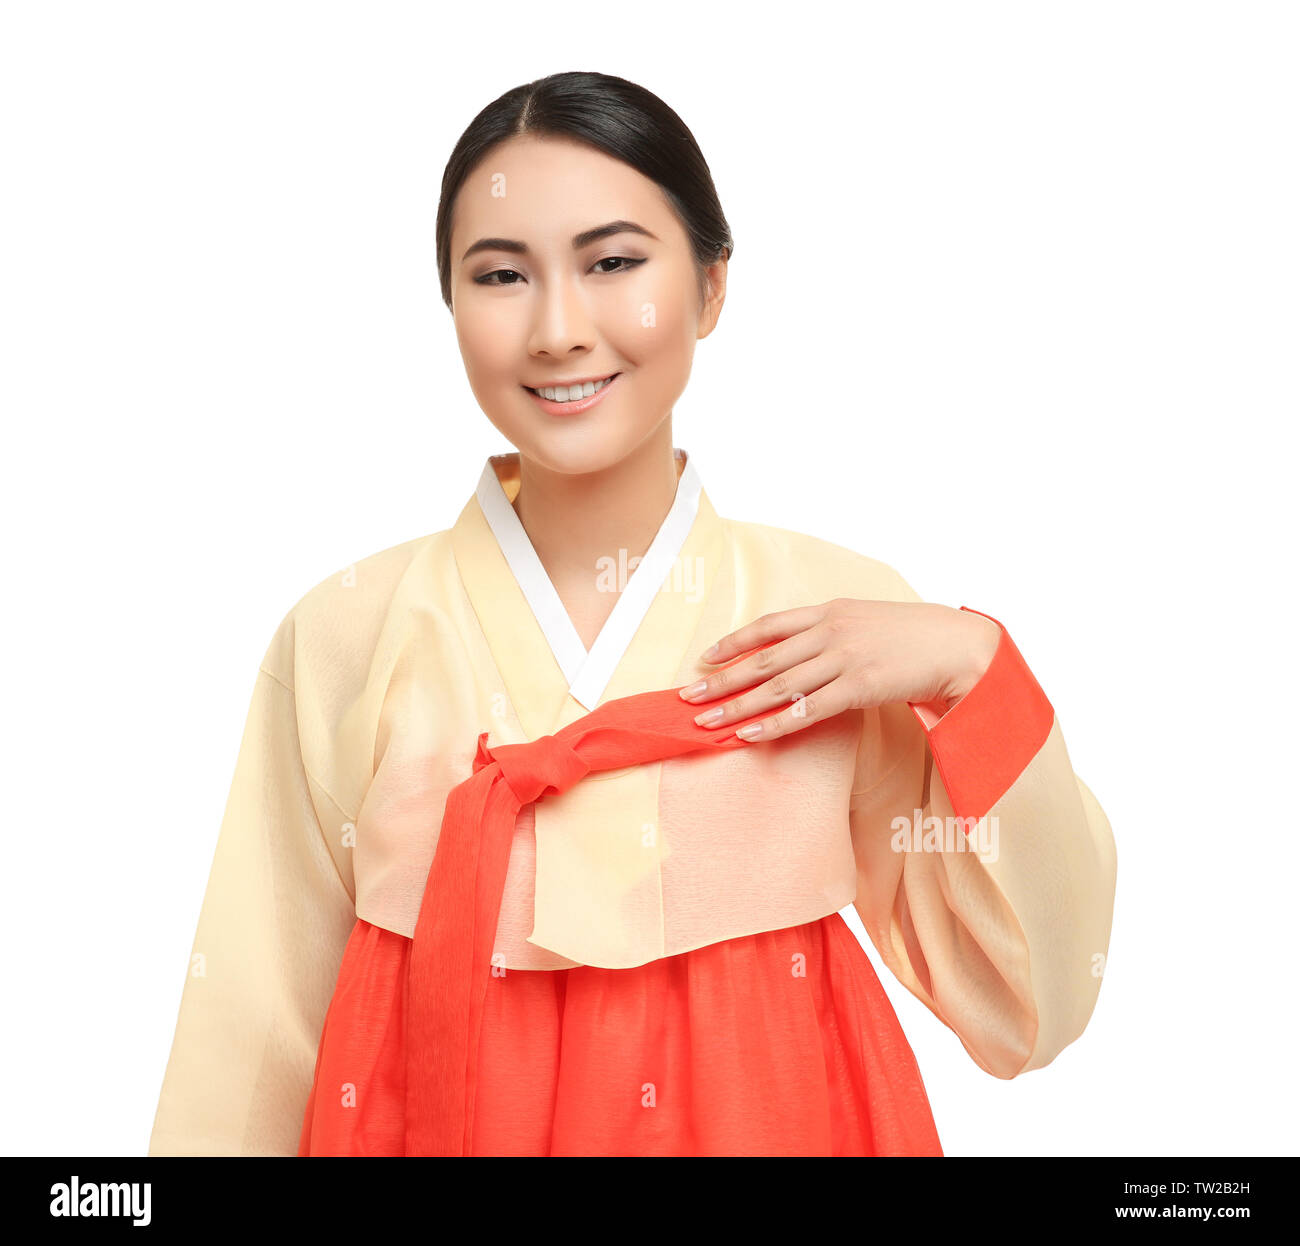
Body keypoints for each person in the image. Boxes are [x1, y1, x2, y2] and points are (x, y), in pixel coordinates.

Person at [148, 70, 1117, 1158]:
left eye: (613, 263)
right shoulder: (347, 631)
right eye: (502, 275)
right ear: (450, 305)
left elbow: (1026, 998)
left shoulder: (842, 627)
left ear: (710, 288)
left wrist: (971, 665)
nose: (559, 329)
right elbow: (250, 1028)